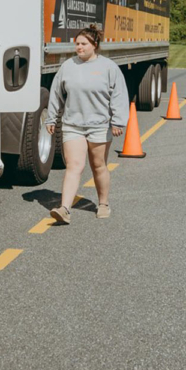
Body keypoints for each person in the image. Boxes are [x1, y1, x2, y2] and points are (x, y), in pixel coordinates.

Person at [46, 26, 128, 223]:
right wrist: (51, 118)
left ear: (95, 45)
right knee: (74, 166)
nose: (79, 48)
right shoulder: (68, 66)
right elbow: (56, 93)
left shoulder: (109, 67)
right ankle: (65, 208)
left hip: (99, 125)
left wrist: (118, 121)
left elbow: (118, 95)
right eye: (77, 44)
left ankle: (103, 204)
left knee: (98, 165)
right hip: (73, 124)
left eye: (83, 44)